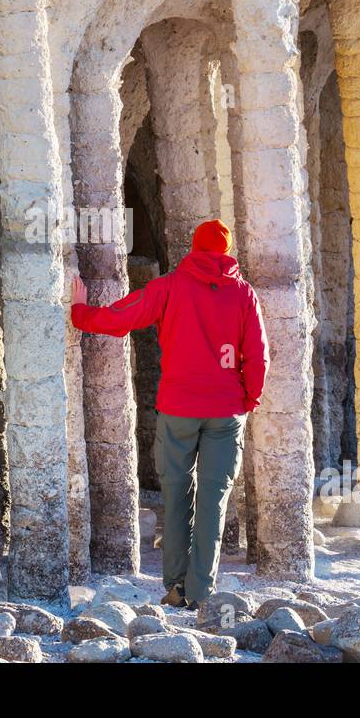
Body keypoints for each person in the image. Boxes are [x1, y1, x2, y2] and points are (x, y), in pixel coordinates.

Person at [70, 218, 268, 609]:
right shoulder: (244, 295)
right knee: (214, 502)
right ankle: (201, 591)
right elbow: (258, 357)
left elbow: (122, 318)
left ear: (193, 250)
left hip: (177, 408)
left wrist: (81, 312)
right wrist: (248, 400)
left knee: (177, 496)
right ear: (227, 252)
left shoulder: (170, 286)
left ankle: (176, 587)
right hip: (226, 413)